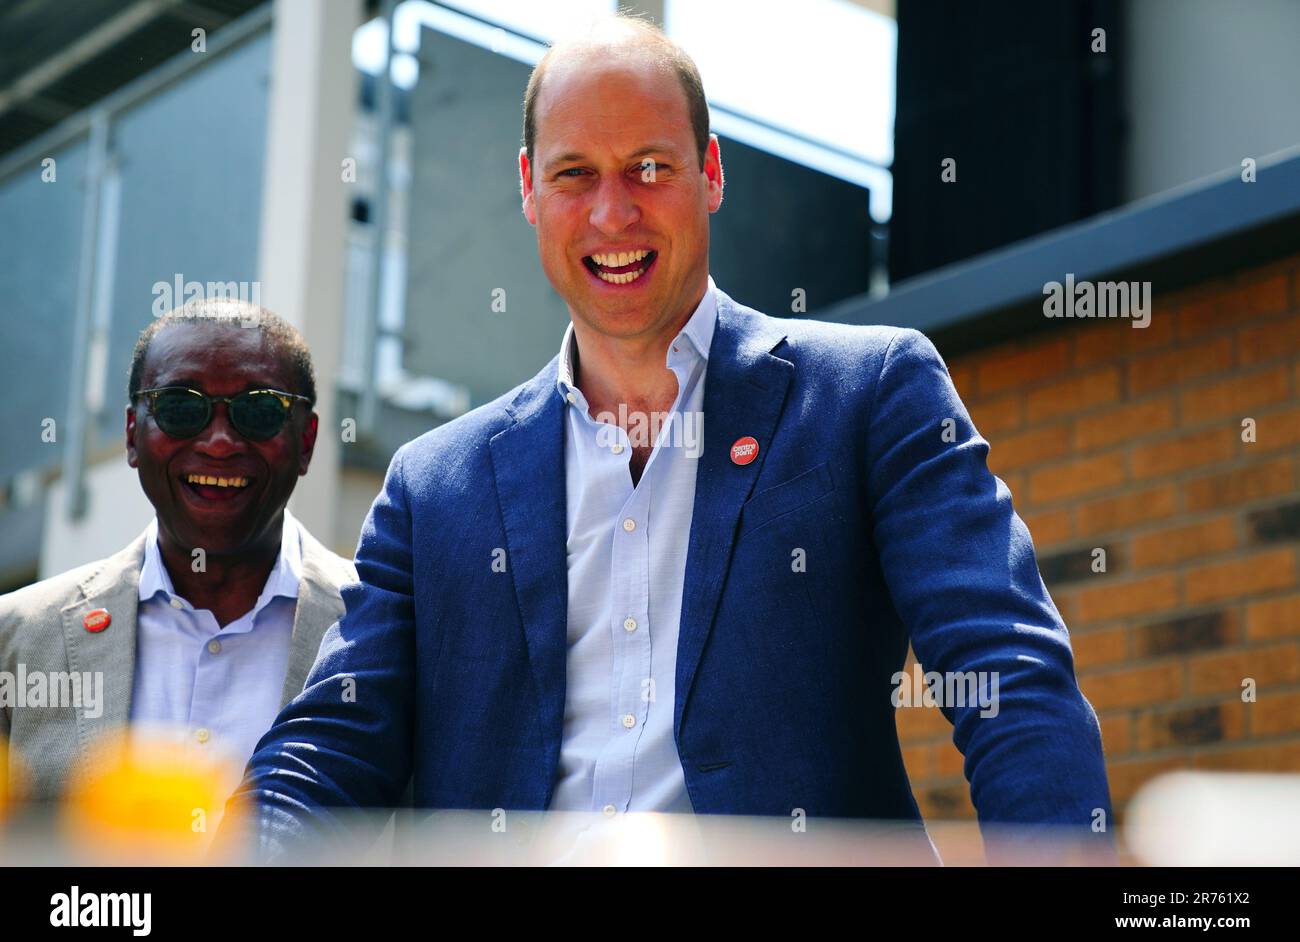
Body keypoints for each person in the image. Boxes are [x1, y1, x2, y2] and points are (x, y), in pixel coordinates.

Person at [226, 16, 1113, 861]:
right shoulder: (435, 486)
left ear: (711, 172)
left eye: (649, 167)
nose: (614, 214)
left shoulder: (866, 394)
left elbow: (1007, 673)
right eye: (576, 174)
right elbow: (331, 745)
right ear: (529, 188)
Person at [0, 299, 355, 826]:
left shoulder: (381, 631)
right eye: (180, 408)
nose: (217, 442)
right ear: (131, 435)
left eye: (259, 411)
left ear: (305, 442)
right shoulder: (18, 638)